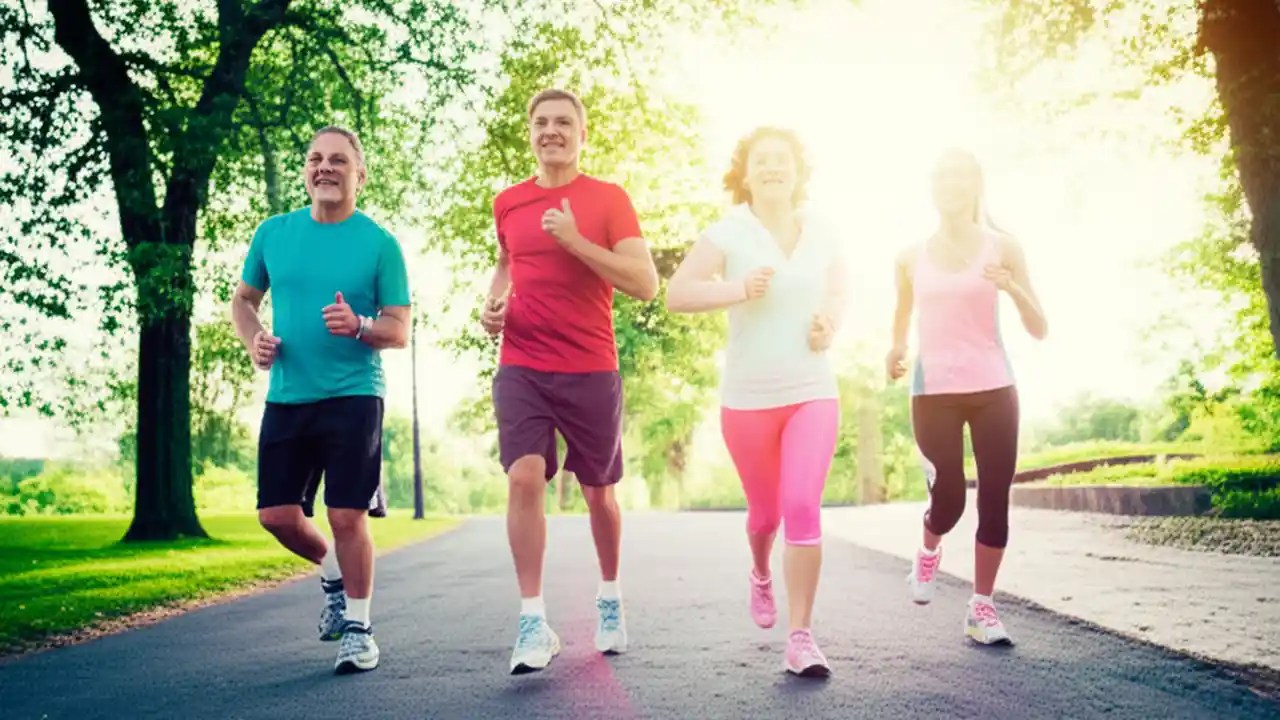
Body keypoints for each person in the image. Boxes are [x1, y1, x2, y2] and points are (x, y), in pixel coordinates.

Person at [480, 88, 659, 675]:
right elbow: (507, 264)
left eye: (562, 122)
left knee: (598, 494)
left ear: (582, 134)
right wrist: (493, 306)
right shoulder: (507, 202)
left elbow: (644, 283)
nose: (550, 130)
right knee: (524, 477)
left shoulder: (607, 199)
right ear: (529, 133)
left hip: (590, 366)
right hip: (522, 363)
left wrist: (576, 241)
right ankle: (532, 620)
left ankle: (609, 597)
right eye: (540, 122)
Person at [230, 125, 411, 674]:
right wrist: (253, 338)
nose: (324, 168)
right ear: (306, 170)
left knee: (346, 513)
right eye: (315, 159)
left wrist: (359, 326)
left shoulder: (379, 243)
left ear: (360, 174)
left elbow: (399, 329)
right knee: (276, 515)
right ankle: (334, 574)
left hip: (354, 395)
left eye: (337, 160)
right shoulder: (274, 234)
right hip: (288, 396)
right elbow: (243, 300)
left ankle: (359, 628)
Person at [666, 127, 845, 677]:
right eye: (761, 160)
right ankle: (760, 573)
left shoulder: (823, 231)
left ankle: (801, 638)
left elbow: (839, 290)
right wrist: (737, 289)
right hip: (747, 400)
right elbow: (677, 294)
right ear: (745, 175)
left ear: (797, 171)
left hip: (812, 391)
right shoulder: (728, 232)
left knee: (800, 506)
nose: (772, 167)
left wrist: (828, 326)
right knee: (765, 513)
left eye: (782, 159)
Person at [885, 148, 1047, 645]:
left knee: (995, 499)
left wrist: (1012, 288)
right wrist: (893, 351)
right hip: (934, 391)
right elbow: (901, 319)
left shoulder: (1004, 247)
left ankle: (982, 608)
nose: (950, 183)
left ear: (976, 184)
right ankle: (929, 548)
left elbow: (1039, 327)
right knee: (951, 497)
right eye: (941, 175)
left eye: (960, 175)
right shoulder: (910, 256)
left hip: (995, 386)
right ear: (932, 187)